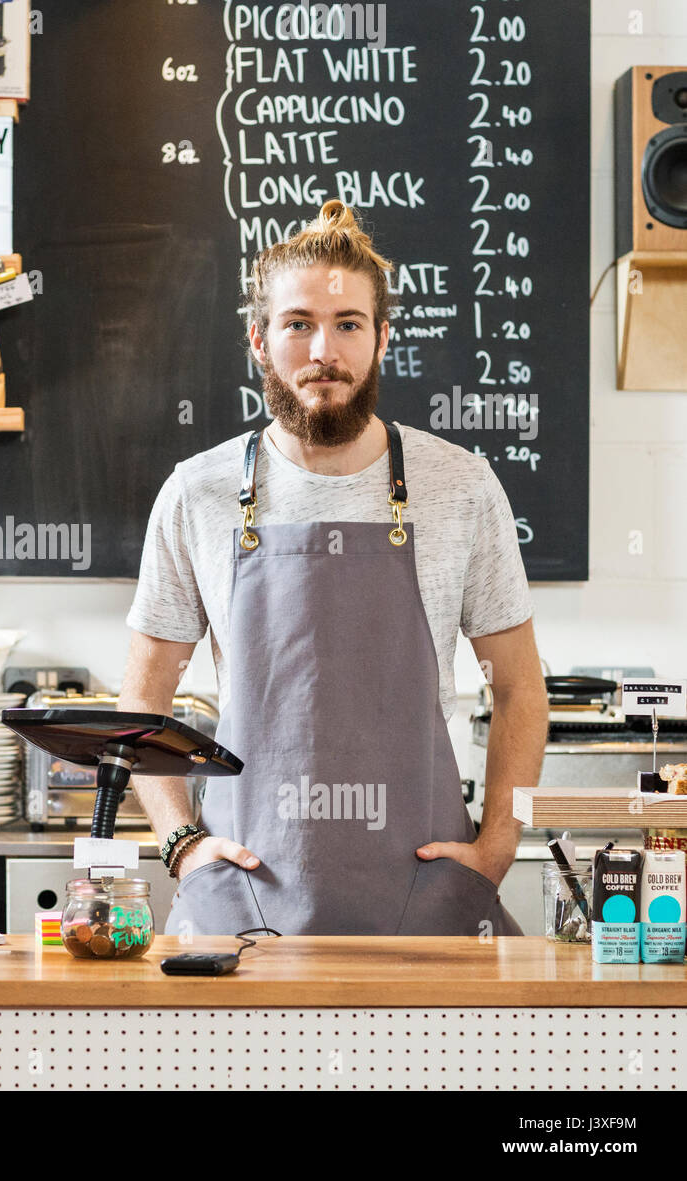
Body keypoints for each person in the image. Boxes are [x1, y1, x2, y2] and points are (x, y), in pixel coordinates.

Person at [120, 200, 548, 937]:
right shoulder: (200, 492)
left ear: (382, 338)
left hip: (427, 908)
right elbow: (143, 695)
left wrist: (497, 847)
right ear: (259, 340)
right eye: (298, 324)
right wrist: (184, 845)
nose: (325, 350)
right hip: (243, 906)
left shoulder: (462, 486)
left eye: (349, 324)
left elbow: (519, 688)